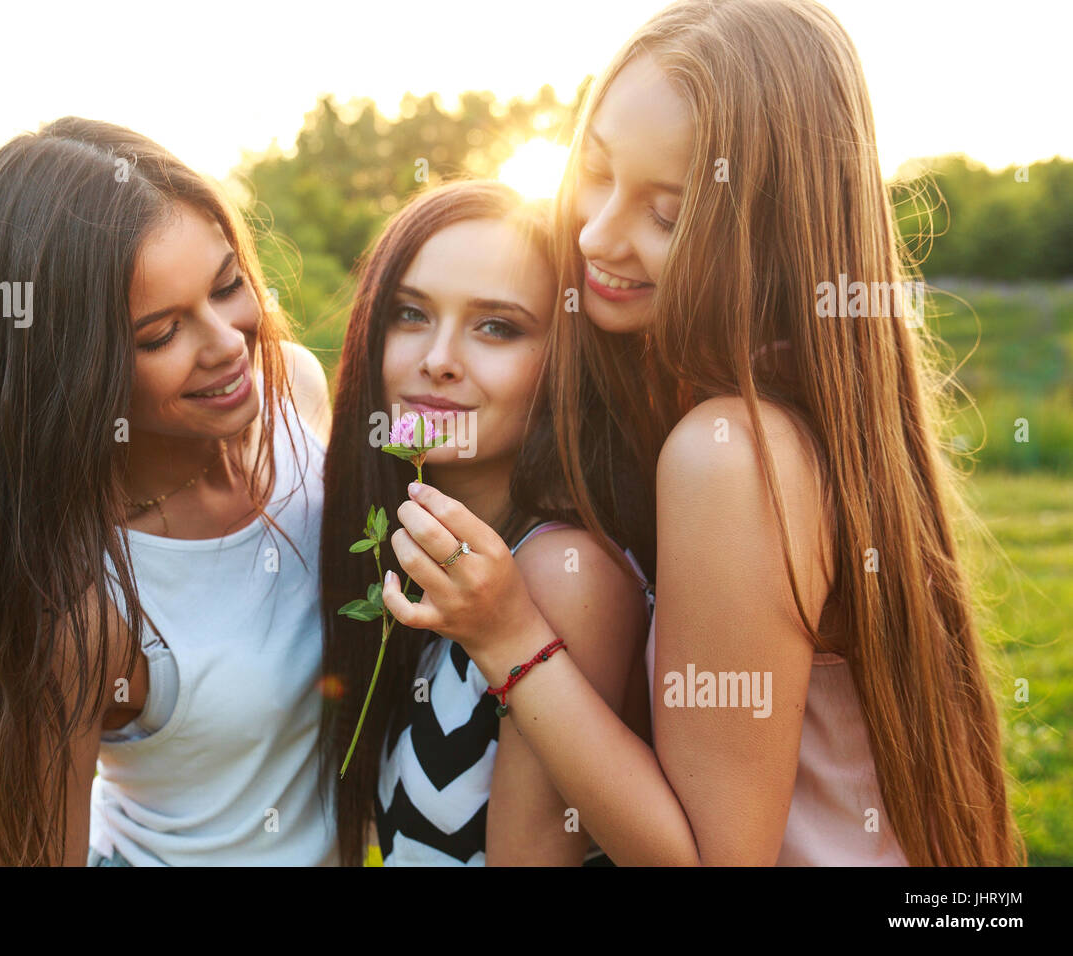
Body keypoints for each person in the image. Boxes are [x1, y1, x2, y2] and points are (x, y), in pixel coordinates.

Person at [380, 0, 1023, 866]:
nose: (597, 235)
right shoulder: (785, 413)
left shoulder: (729, 452)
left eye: (669, 214)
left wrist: (509, 639)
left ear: (769, 233)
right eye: (598, 172)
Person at [0, 116, 337, 865]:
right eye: (160, 335)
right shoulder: (83, 602)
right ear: (71, 369)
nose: (225, 344)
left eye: (228, 286)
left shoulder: (298, 396)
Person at [320, 180, 651, 866]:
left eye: (496, 326)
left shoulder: (564, 573)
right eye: (410, 313)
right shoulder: (420, 556)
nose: (437, 358)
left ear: (564, 363)